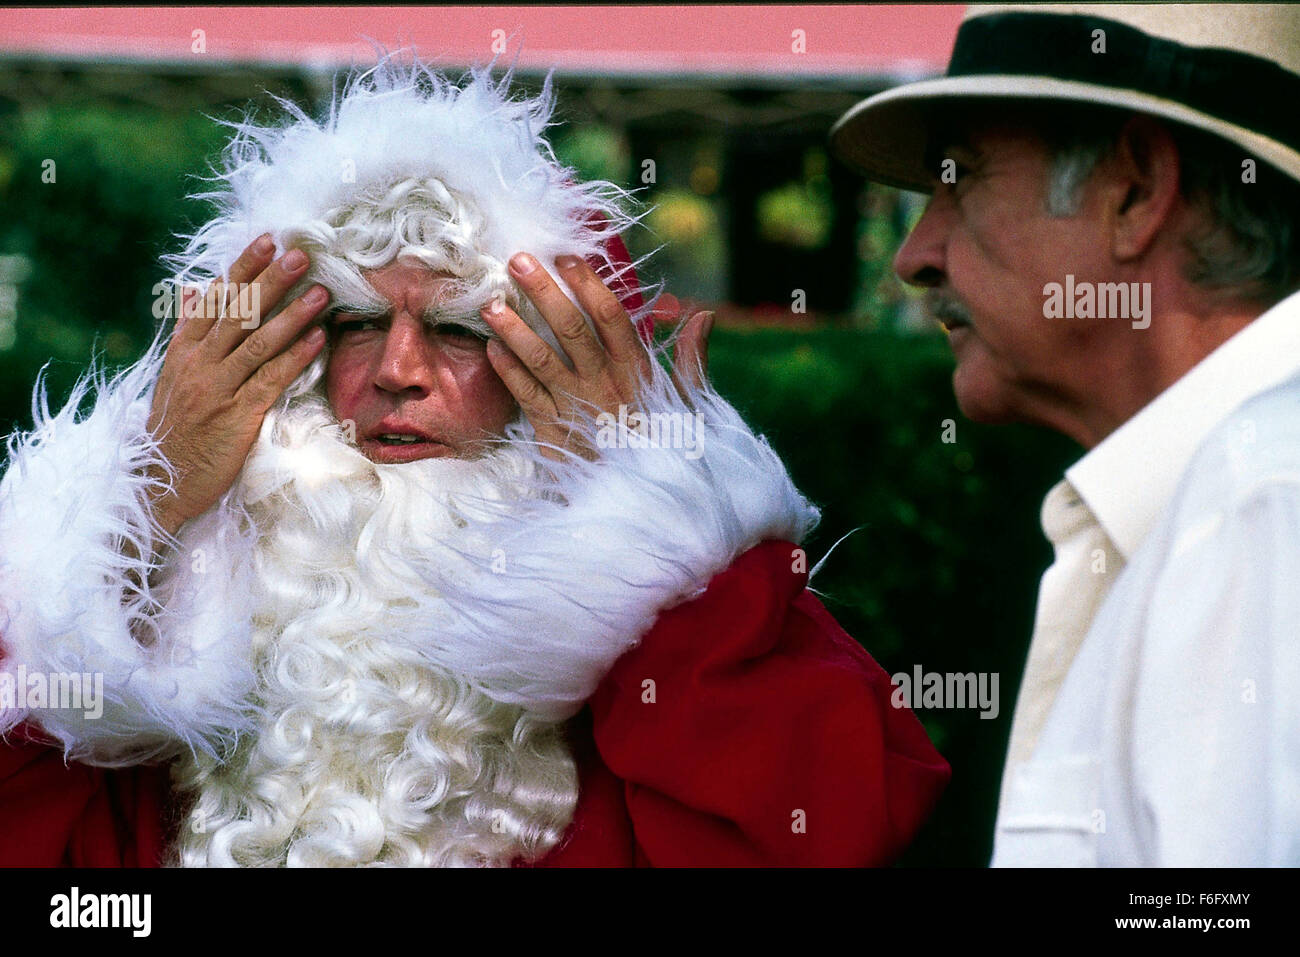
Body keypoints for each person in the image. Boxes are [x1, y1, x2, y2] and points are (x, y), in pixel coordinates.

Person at [0, 55, 949, 867]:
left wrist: (648, 515)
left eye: (458, 328)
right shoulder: (167, 646)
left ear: (559, 370)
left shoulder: (676, 645)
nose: (397, 372)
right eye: (353, 323)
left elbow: (825, 831)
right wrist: (142, 508)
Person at [829, 3, 1300, 866]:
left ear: (1136, 191)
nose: (916, 253)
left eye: (957, 175)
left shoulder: (1262, 502)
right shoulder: (1226, 495)